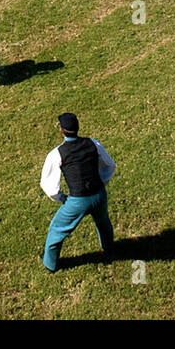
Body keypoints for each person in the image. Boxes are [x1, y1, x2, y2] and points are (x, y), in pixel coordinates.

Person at [40, 113, 116, 272]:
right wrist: (102, 183)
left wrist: (63, 199)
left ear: (61, 130)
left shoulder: (57, 154)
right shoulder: (93, 143)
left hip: (78, 200)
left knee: (57, 229)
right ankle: (109, 249)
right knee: (103, 223)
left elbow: (49, 186)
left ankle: (50, 264)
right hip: (99, 195)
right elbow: (110, 165)